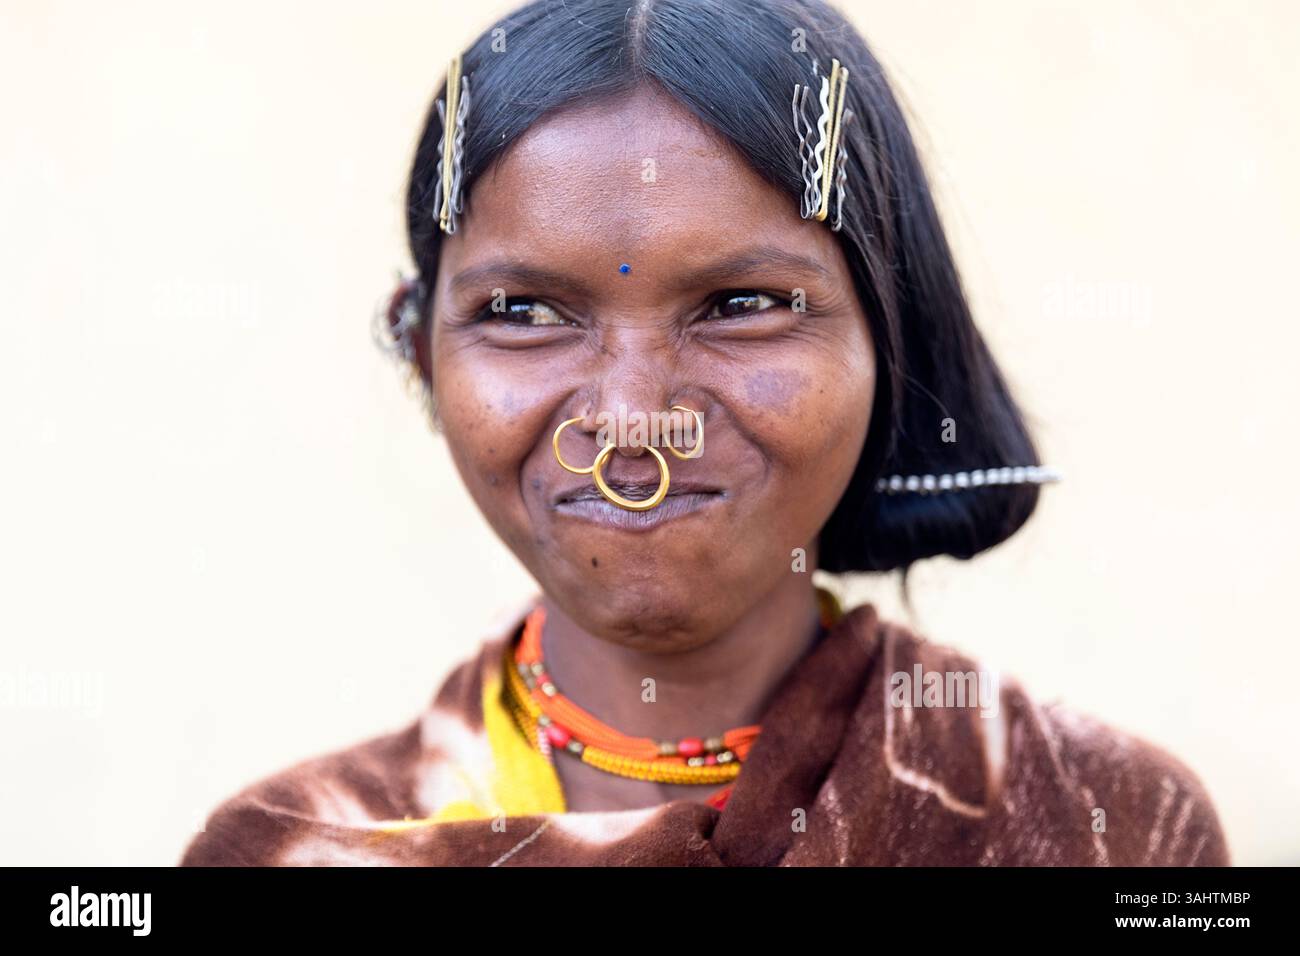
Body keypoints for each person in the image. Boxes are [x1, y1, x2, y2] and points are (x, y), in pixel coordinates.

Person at [180, 0, 1228, 866]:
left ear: (886, 336)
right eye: (523, 312)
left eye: (741, 303)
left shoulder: (1110, 825)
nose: (633, 425)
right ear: (423, 354)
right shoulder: (286, 849)